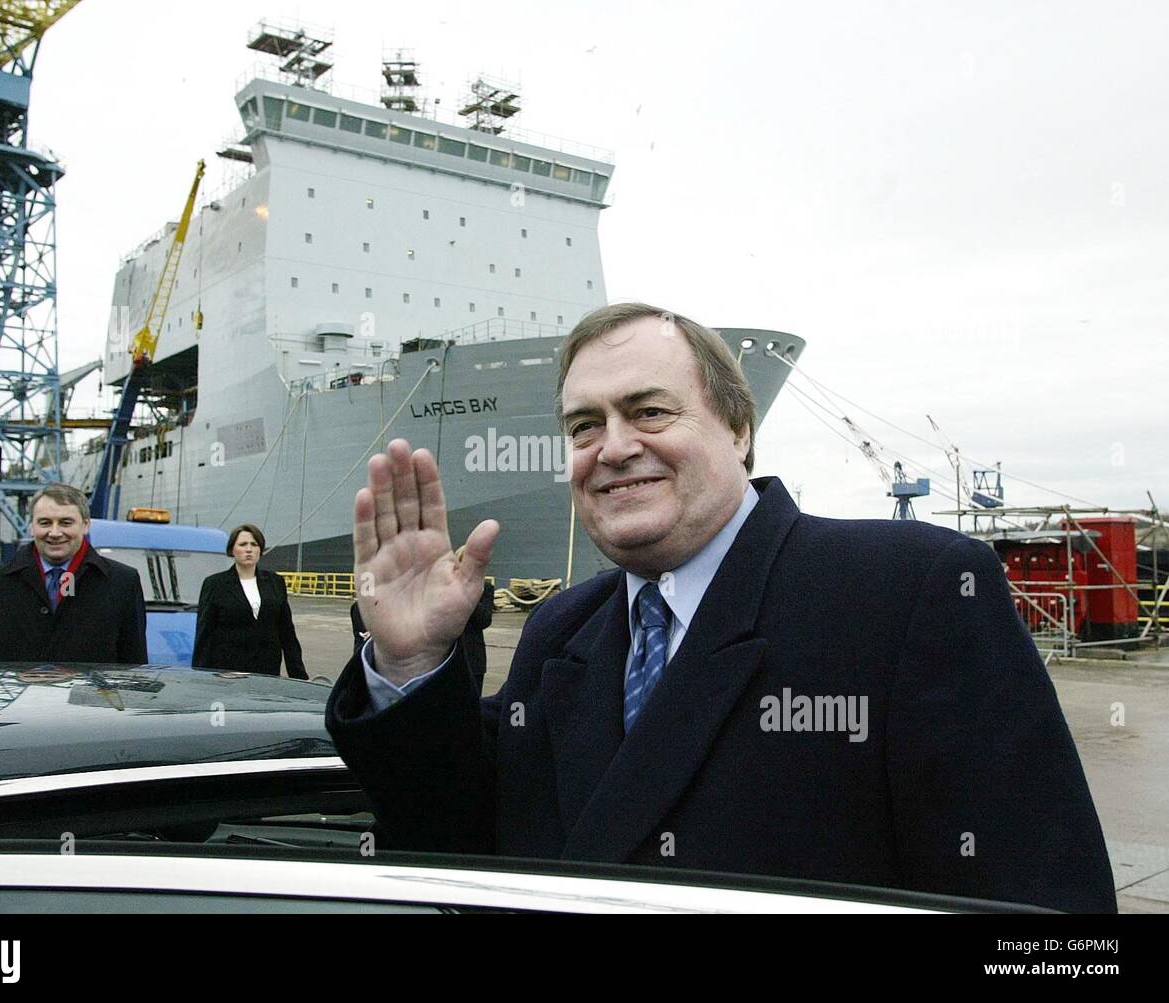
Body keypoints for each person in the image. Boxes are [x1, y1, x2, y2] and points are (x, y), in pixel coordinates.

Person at [325, 302, 1117, 913]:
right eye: (583, 425)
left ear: (739, 427)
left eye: (650, 411)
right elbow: (459, 857)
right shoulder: (559, 633)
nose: (613, 446)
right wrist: (411, 663)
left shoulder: (910, 592)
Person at [0, 484, 147, 663]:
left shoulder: (122, 584)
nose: (55, 532)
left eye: (66, 523)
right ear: (32, 526)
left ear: (85, 525)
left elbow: (133, 666)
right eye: (45, 523)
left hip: (89, 696)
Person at [349, 549, 493, 693]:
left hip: (473, 659)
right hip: (437, 661)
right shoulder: (361, 609)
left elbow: (484, 620)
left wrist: (469, 595)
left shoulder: (484, 588)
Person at [192, 524, 307, 679]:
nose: (249, 549)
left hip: (266, 673)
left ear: (260, 549)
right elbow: (204, 634)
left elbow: (287, 633)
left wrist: (300, 677)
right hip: (228, 674)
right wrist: (201, 677)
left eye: (254, 544)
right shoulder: (215, 584)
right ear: (232, 550)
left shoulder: (275, 583)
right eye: (242, 544)